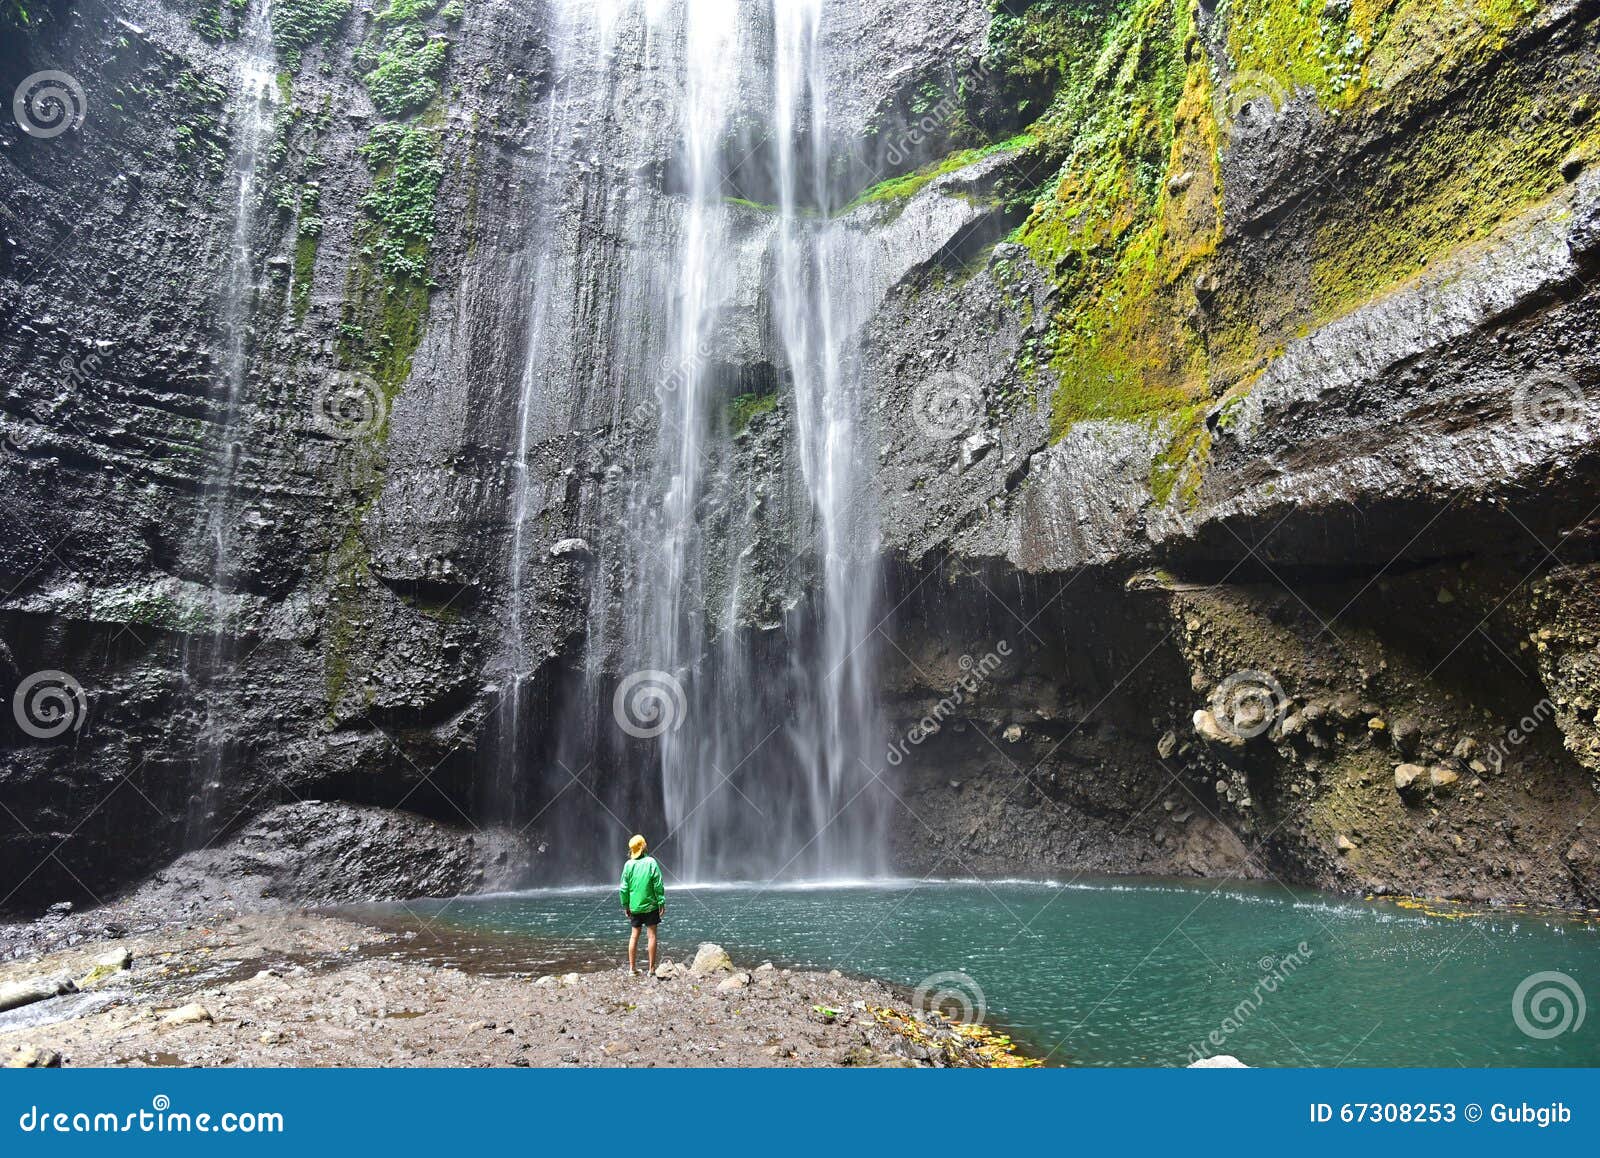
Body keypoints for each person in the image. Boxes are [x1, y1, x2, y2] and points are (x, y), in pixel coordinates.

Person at [619, 834, 665, 976]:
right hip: (651, 906)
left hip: (635, 906)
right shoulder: (651, 862)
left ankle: (632, 969)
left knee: (634, 936)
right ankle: (651, 969)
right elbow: (658, 883)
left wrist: (626, 904)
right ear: (644, 846)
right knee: (651, 936)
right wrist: (661, 901)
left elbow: (623, 888)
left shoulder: (628, 865)